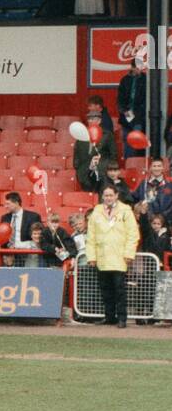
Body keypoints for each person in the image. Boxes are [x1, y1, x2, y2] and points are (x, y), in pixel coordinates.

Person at [85, 186, 139, 327]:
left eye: (111, 195)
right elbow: (91, 236)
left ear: (116, 195)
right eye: (106, 195)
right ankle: (109, 317)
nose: (108, 198)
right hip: (102, 257)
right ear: (102, 196)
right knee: (105, 289)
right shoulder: (96, 212)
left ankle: (122, 318)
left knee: (119, 290)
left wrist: (129, 253)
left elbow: (133, 234)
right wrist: (91, 256)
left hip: (119, 257)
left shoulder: (126, 211)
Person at [117, 59, 147, 159]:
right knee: (127, 139)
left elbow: (146, 100)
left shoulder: (145, 79)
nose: (139, 70)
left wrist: (138, 115)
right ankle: (128, 162)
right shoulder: (125, 80)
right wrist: (124, 111)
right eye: (137, 67)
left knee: (137, 139)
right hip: (126, 114)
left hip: (139, 116)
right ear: (132, 67)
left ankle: (137, 161)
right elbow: (120, 98)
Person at [73, 125, 116, 193]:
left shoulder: (106, 135)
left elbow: (113, 155)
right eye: (90, 119)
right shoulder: (80, 139)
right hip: (85, 172)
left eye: (94, 119)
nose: (92, 121)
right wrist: (79, 168)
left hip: (102, 171)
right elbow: (76, 158)